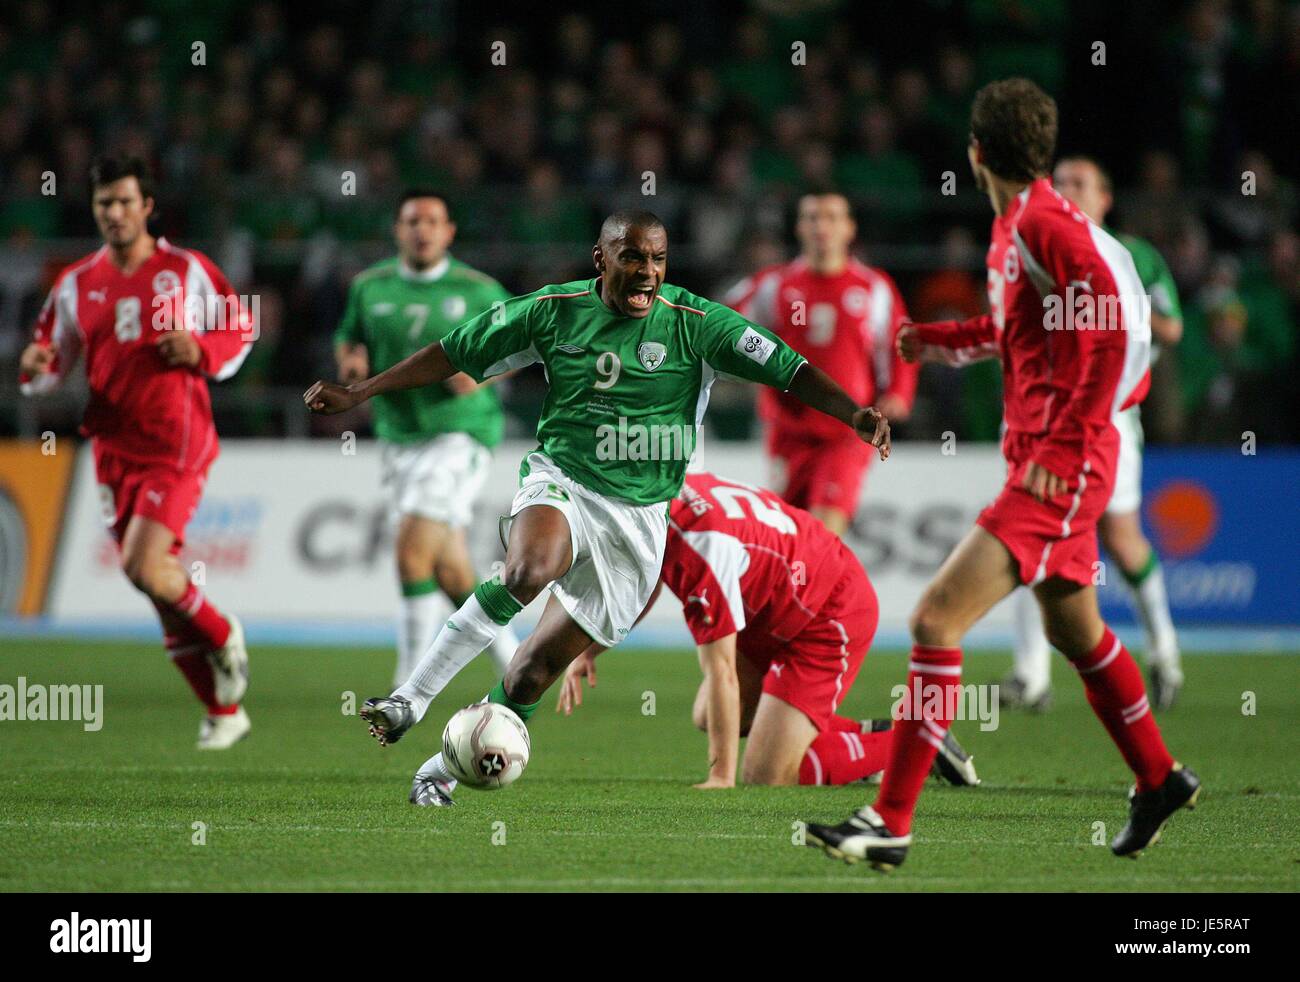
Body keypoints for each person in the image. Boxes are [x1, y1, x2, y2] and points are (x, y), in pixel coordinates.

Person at [304, 210, 891, 802]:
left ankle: (435, 773)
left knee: (530, 672)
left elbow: (788, 368)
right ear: (600, 259)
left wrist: (853, 413)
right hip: (563, 480)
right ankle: (413, 697)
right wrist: (359, 392)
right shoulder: (552, 310)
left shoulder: (696, 324)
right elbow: (453, 351)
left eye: (658, 259)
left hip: (638, 523)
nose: (647, 273)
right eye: (632, 257)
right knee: (529, 570)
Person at [804, 80, 1199, 872]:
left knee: (935, 619)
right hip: (1058, 460)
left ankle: (891, 820)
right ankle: (1158, 778)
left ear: (975, 151)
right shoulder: (1024, 224)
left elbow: (1116, 335)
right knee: (1075, 631)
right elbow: (1022, 328)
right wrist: (941, 339)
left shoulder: (1048, 226)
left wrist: (1067, 450)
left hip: (1063, 467)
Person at [19, 155, 254, 749]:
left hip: (175, 440)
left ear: (147, 206)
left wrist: (200, 349)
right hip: (110, 447)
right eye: (104, 204)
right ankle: (223, 712)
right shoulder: (75, 284)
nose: (115, 213)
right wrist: (37, 369)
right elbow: (50, 356)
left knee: (142, 566)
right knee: (155, 584)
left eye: (125, 202)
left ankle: (224, 633)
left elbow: (240, 328)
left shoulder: (186, 269)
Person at [553, 470, 978, 794]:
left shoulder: (704, 548)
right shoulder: (666, 499)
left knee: (767, 775)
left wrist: (721, 776)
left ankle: (922, 742)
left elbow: (721, 672)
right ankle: (856, 734)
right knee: (711, 715)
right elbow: (650, 576)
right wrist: (594, 647)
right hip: (775, 607)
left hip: (827, 614)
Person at [1000, 157, 1184, 713]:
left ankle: (1165, 652)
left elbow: (1171, 326)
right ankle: (1030, 675)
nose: (1068, 192)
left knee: (1123, 543)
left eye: (1081, 184)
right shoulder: (1036, 249)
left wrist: (1112, 310)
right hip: (1044, 423)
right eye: (1060, 184)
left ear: (1105, 198)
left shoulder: (1132, 255)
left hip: (1110, 422)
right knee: (1031, 539)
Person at [334, 190, 520, 686]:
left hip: (461, 433)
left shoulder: (479, 290)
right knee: (451, 571)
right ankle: (516, 661)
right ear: (397, 229)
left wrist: (484, 375)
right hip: (399, 437)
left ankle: (406, 688)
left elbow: (522, 347)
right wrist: (351, 362)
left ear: (449, 232)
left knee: (411, 550)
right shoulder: (369, 287)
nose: (423, 230)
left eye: (433, 221)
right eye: (413, 220)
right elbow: (350, 336)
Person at [726, 192, 917, 535]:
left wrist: (899, 392)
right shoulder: (774, 284)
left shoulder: (873, 287)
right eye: (812, 217)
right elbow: (723, 325)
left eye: (831, 217)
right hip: (787, 429)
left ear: (849, 227)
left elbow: (900, 344)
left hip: (845, 429)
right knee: (785, 535)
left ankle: (821, 586)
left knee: (823, 533)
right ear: (799, 226)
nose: (821, 226)